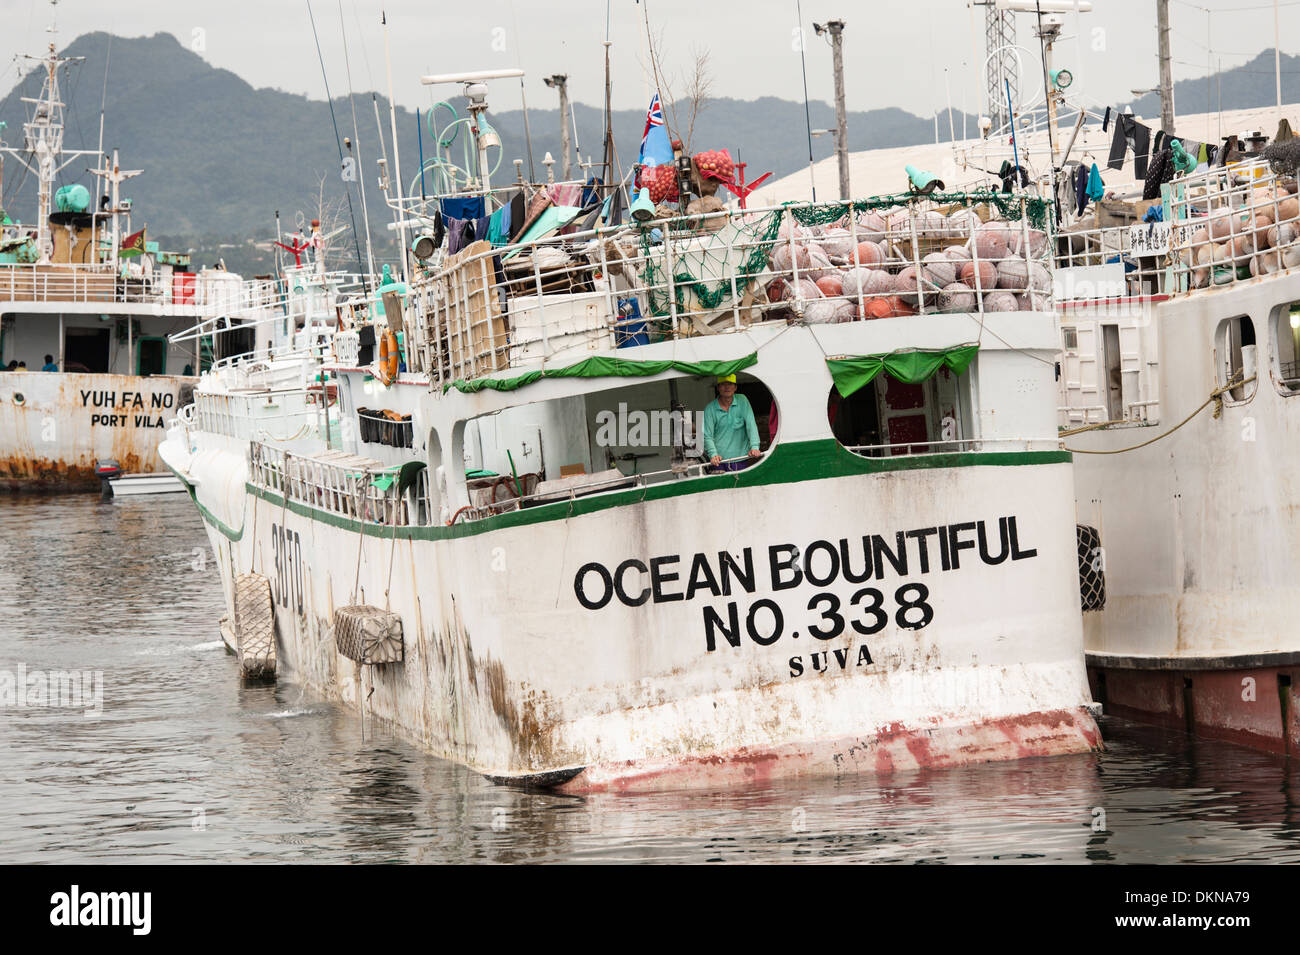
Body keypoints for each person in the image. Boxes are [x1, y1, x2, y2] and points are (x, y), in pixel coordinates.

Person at [702, 374, 760, 472]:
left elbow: (751, 425)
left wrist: (754, 446)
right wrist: (713, 454)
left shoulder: (742, 400)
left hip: (740, 458)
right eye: (723, 384)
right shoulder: (710, 408)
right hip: (718, 461)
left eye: (730, 384)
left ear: (735, 387)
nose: (727, 387)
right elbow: (707, 435)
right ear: (718, 388)